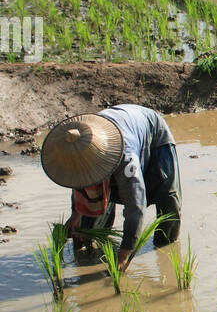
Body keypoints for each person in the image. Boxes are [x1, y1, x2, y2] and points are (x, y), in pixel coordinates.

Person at [40, 104, 182, 270]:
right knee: (88, 229)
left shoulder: (127, 160)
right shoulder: (78, 155)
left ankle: (166, 244)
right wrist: (75, 216)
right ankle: (92, 244)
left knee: (167, 197)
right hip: (111, 128)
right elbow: (81, 189)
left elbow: (136, 207)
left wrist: (123, 255)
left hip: (153, 132)